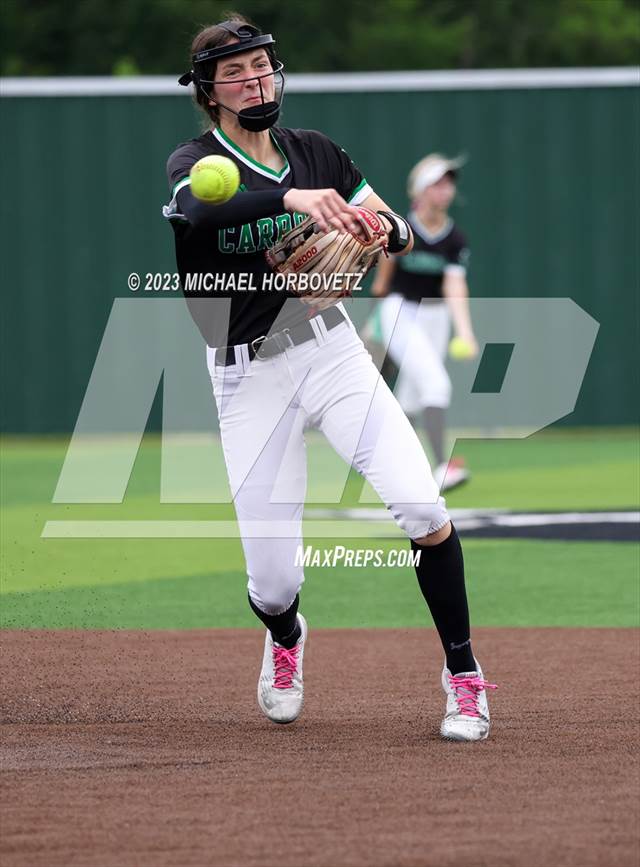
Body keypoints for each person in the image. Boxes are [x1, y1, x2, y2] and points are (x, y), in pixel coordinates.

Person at [163, 16, 496, 741]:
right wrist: (293, 202)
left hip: (330, 351)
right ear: (208, 90)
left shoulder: (315, 152)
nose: (256, 78)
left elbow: (392, 224)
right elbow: (196, 209)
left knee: (422, 505)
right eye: (237, 70)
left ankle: (464, 677)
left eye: (262, 64)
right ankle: (285, 635)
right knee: (273, 581)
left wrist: (382, 232)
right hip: (244, 373)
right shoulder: (194, 158)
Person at [370, 154, 478, 492]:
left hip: (436, 316)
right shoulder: (402, 229)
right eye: (437, 182)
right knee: (436, 385)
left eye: (448, 183)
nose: (445, 189)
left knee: (411, 398)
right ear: (420, 189)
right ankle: (443, 466)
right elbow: (380, 285)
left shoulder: (455, 239)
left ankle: (390, 466)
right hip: (399, 311)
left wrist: (465, 332)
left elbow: (455, 286)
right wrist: (377, 333)